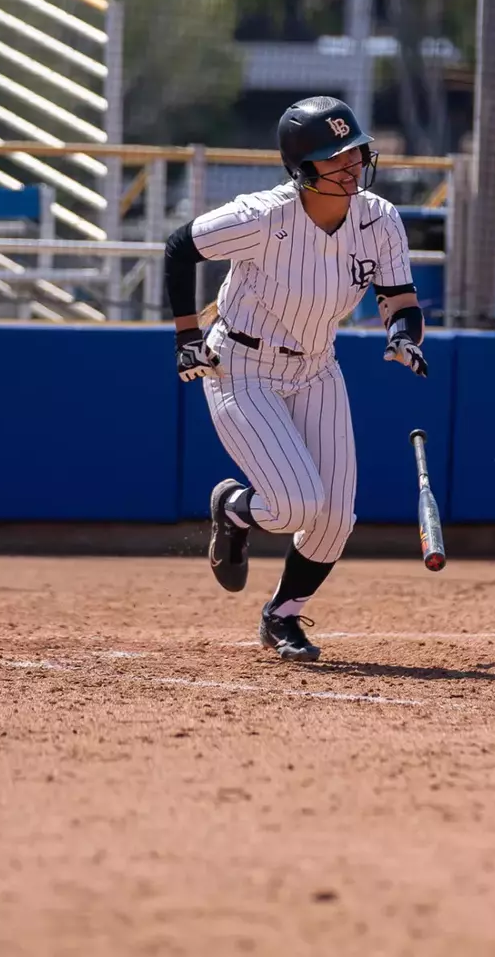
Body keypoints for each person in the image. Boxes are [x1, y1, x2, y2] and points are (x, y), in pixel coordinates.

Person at [165, 96, 428, 663]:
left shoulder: (379, 218)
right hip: (241, 365)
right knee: (294, 506)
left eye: (355, 152)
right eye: (336, 157)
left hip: (315, 368)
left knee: (335, 519)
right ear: (303, 169)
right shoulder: (262, 216)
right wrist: (187, 337)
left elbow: (399, 299)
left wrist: (403, 335)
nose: (352, 165)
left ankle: (283, 614)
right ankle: (234, 508)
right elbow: (180, 248)